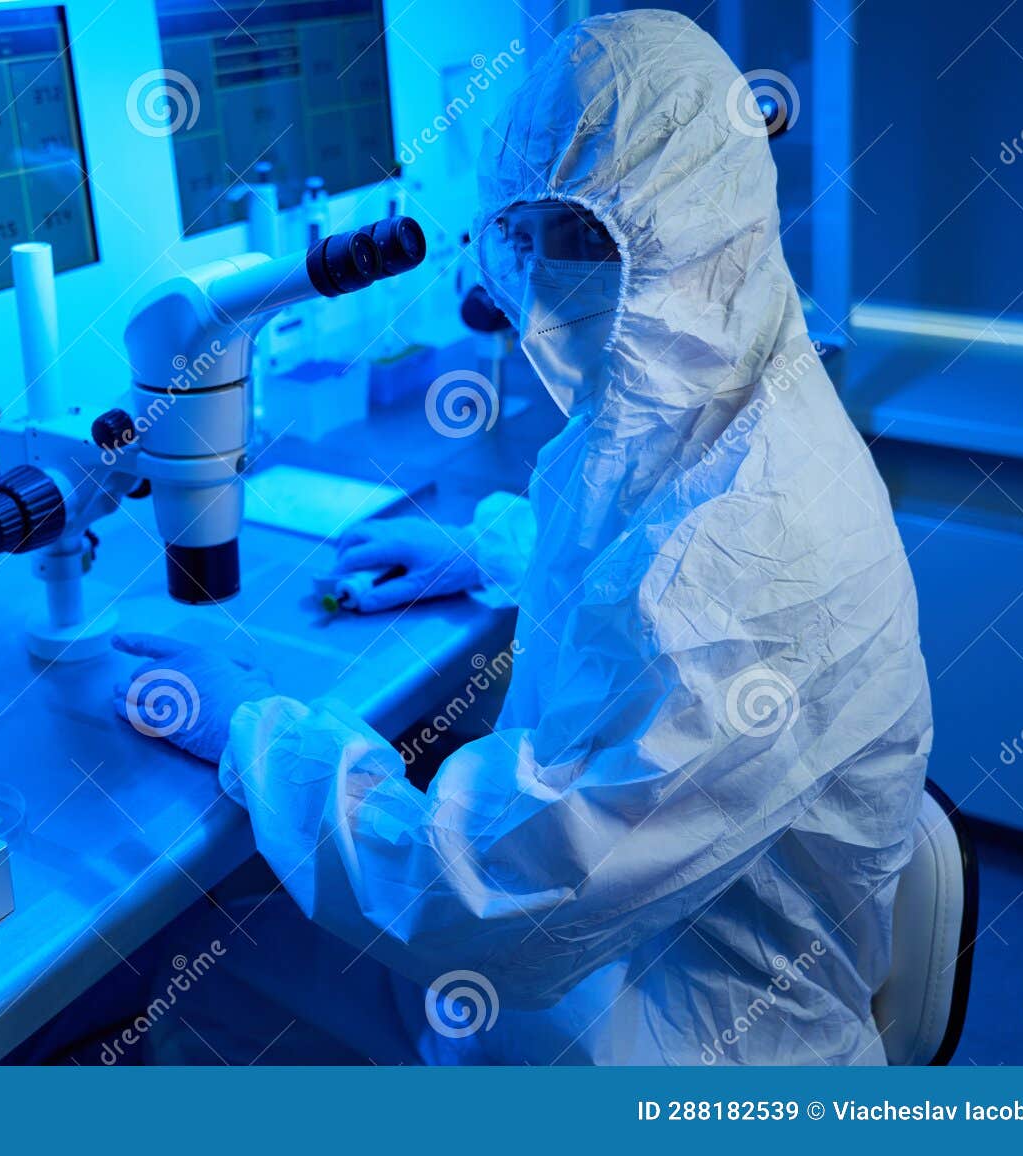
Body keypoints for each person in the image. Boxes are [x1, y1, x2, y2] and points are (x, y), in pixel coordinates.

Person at [112, 8, 931, 1065]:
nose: (547, 277)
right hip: (663, 949)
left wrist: (249, 726)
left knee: (184, 977)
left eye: (590, 237)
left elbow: (494, 902)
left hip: (693, 1048)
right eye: (534, 230)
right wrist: (487, 553)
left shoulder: (753, 562)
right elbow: (644, 526)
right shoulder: (744, 388)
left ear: (702, 221)